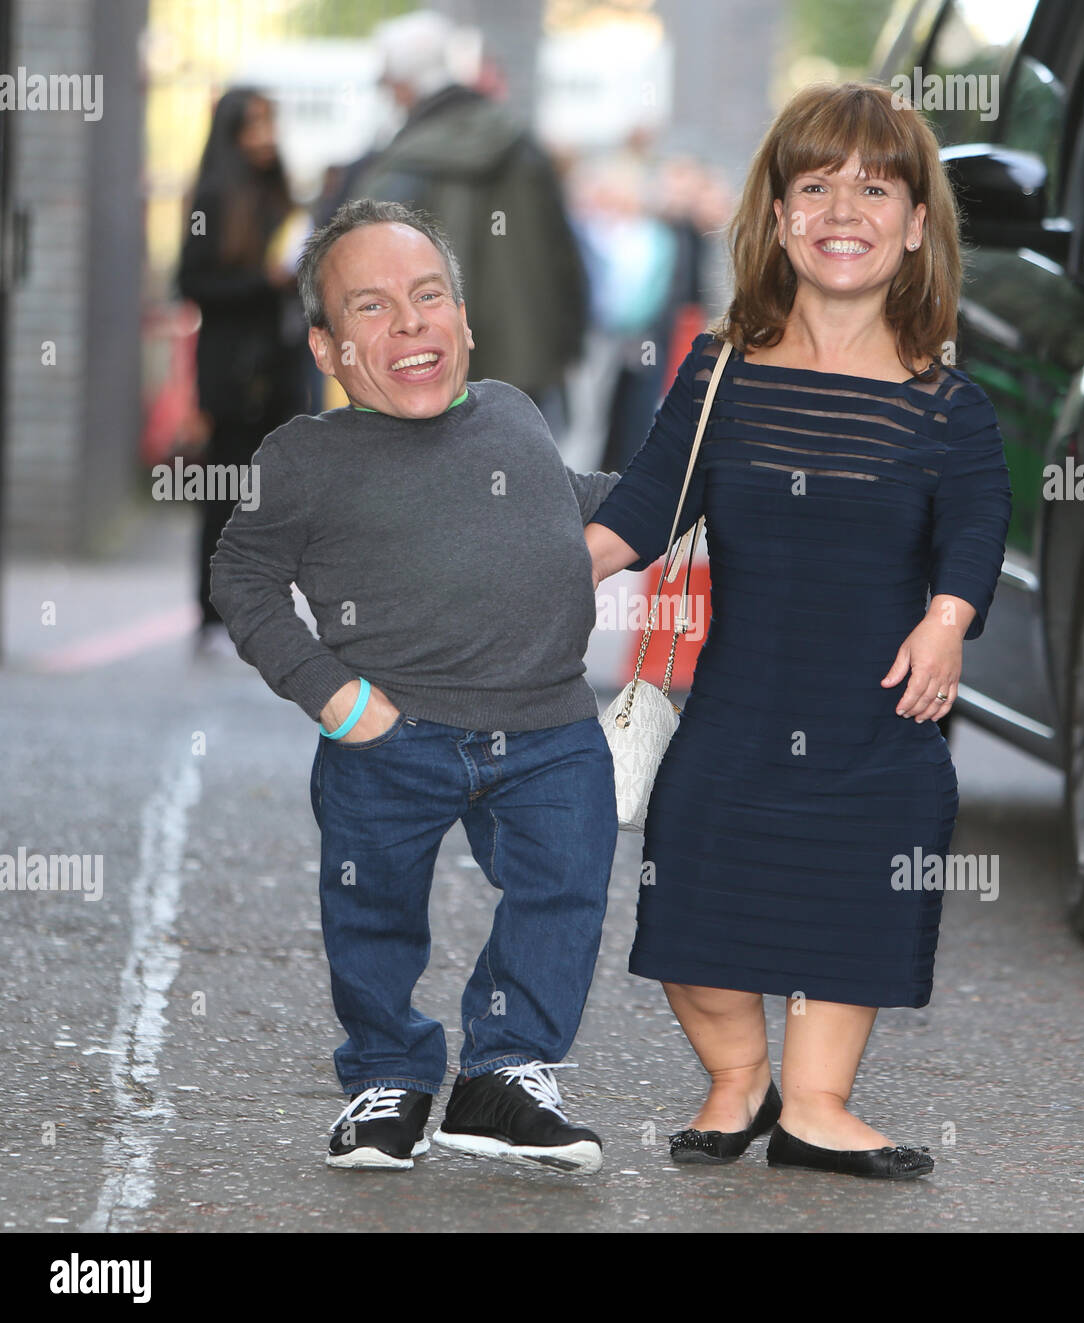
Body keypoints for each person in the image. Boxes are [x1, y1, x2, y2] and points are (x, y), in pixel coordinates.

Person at [584, 82, 1012, 1180]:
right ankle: (738, 1084)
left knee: (855, 902)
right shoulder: (722, 369)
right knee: (694, 902)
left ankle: (817, 1106)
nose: (842, 208)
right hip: (736, 710)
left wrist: (949, 619)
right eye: (813, 184)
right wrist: (540, 577)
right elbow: (642, 507)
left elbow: (976, 524)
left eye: (875, 187)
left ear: (917, 223)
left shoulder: (944, 404)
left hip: (875, 713)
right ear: (777, 215)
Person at [209, 198, 619, 1174]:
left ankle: (500, 1075)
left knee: (563, 886)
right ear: (326, 345)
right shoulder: (304, 459)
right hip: (390, 737)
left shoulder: (515, 415)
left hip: (548, 726)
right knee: (374, 909)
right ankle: (386, 1073)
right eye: (371, 308)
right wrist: (332, 695)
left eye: (428, 296)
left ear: (466, 320)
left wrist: (688, 498)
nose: (409, 324)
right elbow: (240, 576)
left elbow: (581, 504)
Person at [343, 9, 587, 430]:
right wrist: (567, 348)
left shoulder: (401, 168)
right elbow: (565, 258)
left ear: (402, 85)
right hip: (527, 377)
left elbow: (358, 271)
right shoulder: (522, 147)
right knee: (522, 489)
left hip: (432, 378)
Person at [178, 87, 309, 650]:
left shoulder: (279, 192)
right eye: (253, 126)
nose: (265, 137)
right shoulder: (212, 196)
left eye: (269, 123)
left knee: (270, 497)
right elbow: (189, 283)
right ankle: (209, 615)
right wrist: (263, 281)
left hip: (279, 364)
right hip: (232, 370)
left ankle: (255, 614)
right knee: (224, 492)